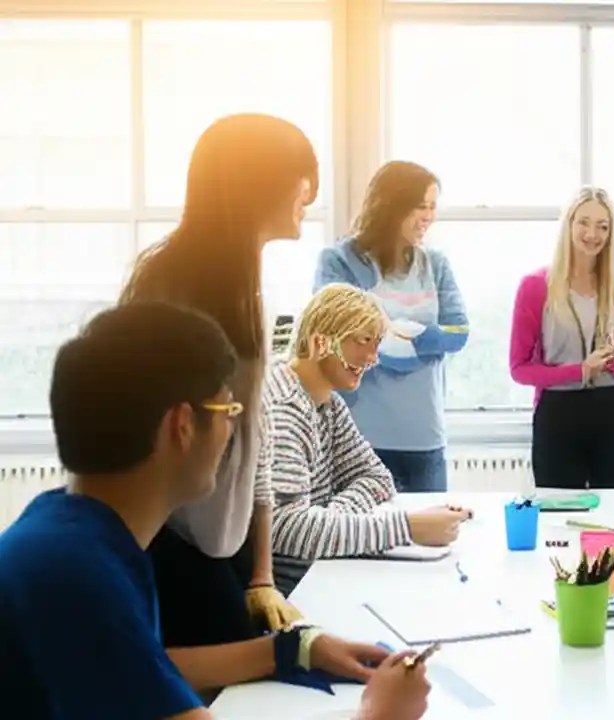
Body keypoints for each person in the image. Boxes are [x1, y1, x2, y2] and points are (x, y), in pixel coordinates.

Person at [0, 302, 430, 720]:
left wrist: (295, 649)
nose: (240, 433)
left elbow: (142, 665)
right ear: (182, 426)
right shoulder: (79, 578)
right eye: (231, 411)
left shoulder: (63, 532)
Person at [120, 113, 311, 647]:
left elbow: (258, 442)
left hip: (223, 551)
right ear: (260, 183)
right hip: (167, 544)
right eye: (301, 178)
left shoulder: (253, 294)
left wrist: (262, 574)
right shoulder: (167, 284)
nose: (308, 194)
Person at [268, 283, 473, 594]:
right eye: (363, 341)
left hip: (324, 572)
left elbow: (377, 479)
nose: (374, 357)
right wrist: (406, 528)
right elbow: (288, 531)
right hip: (297, 592)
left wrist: (330, 519)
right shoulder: (284, 407)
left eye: (377, 343)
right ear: (320, 340)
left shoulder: (328, 403)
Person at [315, 161, 468, 493]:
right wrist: (388, 347)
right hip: (358, 439)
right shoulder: (341, 262)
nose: (428, 216)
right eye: (420, 206)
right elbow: (333, 332)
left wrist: (419, 341)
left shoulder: (435, 264)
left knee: (431, 539)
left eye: (432, 206)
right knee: (361, 539)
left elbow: (459, 333)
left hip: (423, 438)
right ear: (392, 205)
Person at [509, 187, 614, 489]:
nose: (592, 234)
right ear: (569, 224)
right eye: (584, 222)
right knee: (559, 518)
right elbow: (519, 368)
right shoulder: (535, 286)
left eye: (603, 226)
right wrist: (581, 370)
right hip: (557, 414)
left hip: (612, 413)